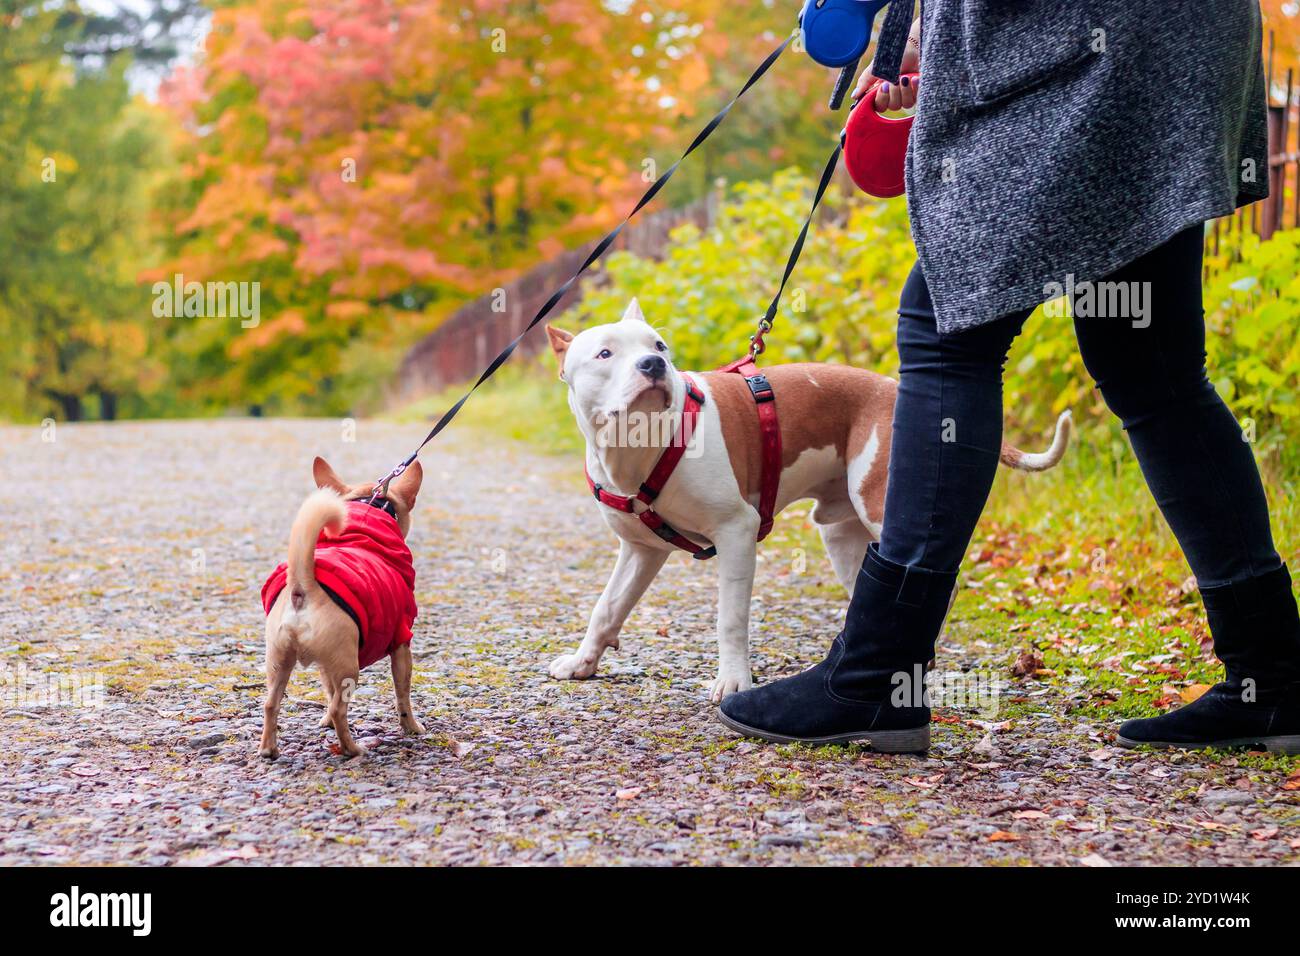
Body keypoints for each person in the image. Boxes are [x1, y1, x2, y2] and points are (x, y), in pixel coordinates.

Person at [717, 0, 1300, 753]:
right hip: (1177, 41)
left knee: (947, 333)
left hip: (1087, 47)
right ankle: (1274, 677)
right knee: (1149, 365)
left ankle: (878, 676)